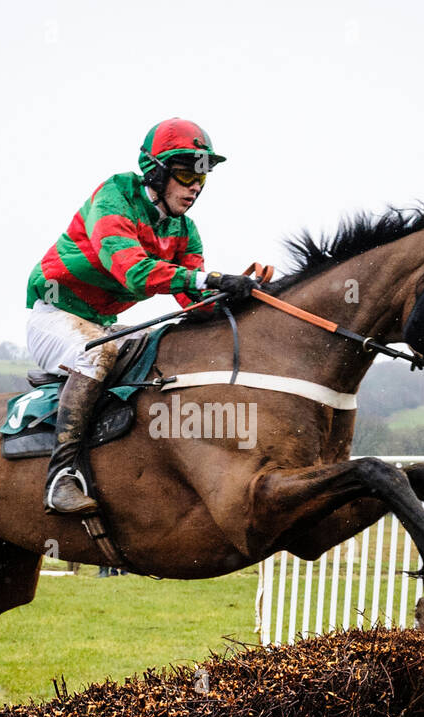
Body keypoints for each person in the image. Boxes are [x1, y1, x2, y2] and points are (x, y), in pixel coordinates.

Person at [24, 118, 259, 514]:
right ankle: (60, 478)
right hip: (54, 314)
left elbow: (194, 300)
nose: (196, 186)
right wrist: (211, 278)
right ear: (156, 171)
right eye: (186, 173)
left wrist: (243, 299)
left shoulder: (185, 230)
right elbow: (132, 270)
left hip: (101, 323)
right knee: (97, 355)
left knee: (163, 351)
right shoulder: (115, 195)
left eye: (202, 176)